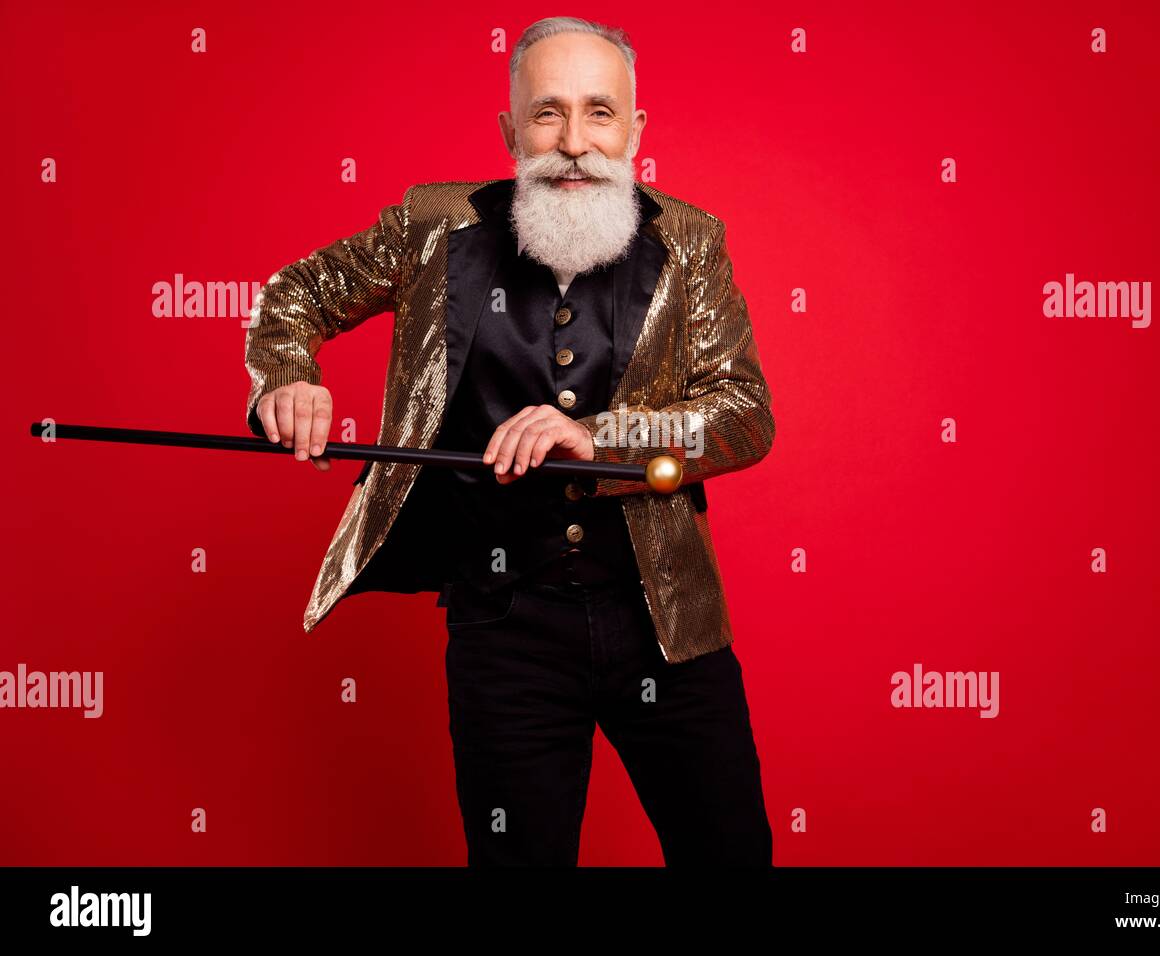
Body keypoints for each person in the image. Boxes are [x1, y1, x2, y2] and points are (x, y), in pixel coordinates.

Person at [243, 16, 775, 866]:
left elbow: (744, 412)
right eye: (548, 114)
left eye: (600, 113)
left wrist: (595, 436)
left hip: (667, 627)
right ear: (509, 131)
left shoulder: (691, 243)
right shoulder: (434, 226)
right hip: (505, 631)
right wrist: (285, 375)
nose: (574, 143)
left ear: (635, 130)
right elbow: (294, 296)